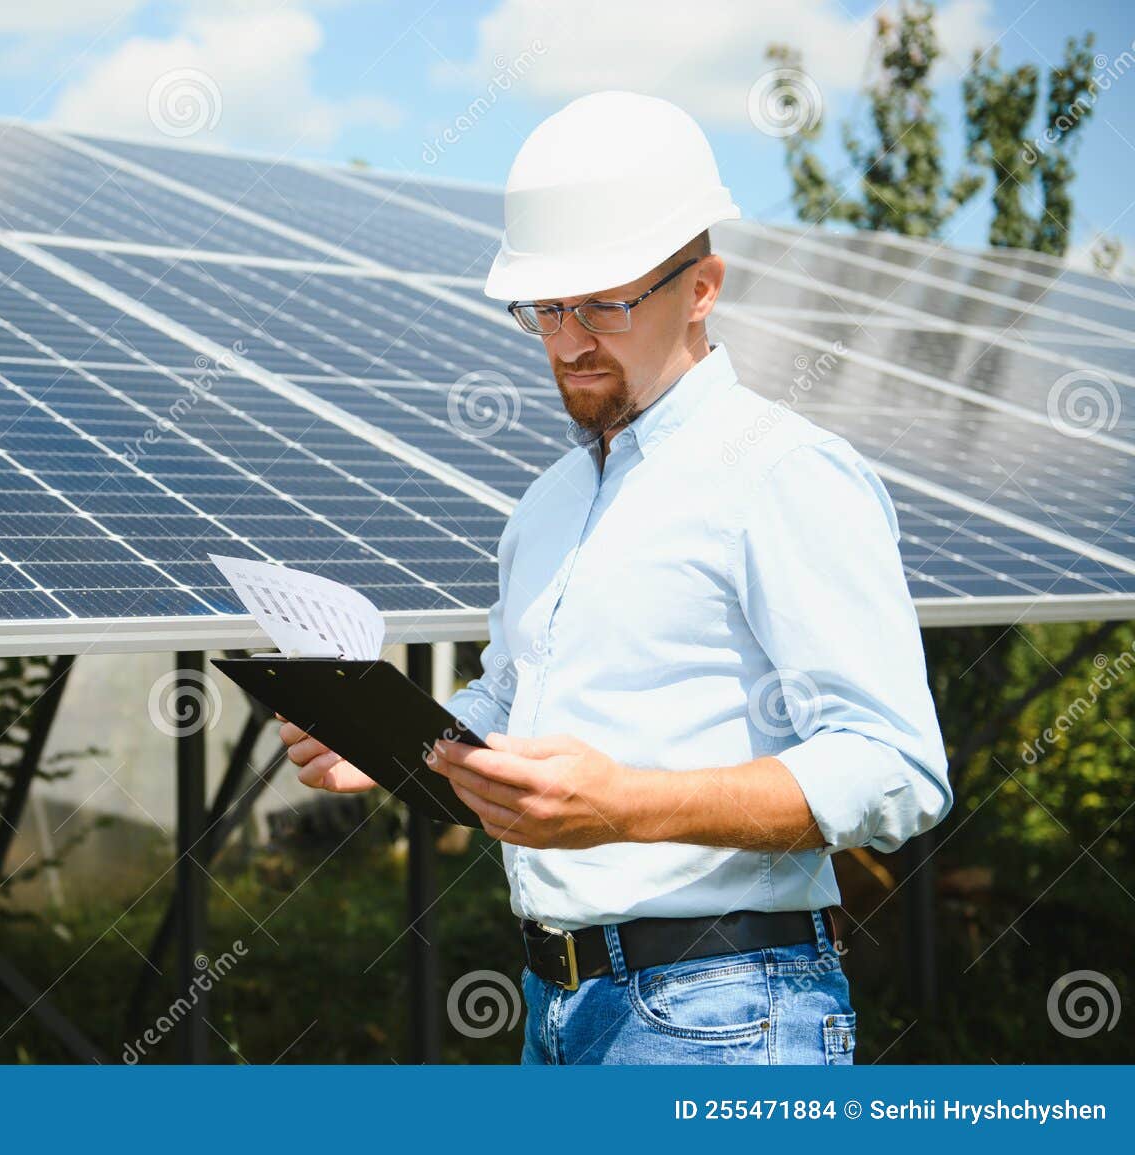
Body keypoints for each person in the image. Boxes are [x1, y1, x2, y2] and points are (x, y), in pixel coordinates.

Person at [276, 91, 949, 1065]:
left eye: (603, 303)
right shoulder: (545, 505)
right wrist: (389, 745)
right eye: (545, 308)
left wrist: (627, 806)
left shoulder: (782, 473)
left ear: (703, 286)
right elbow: (506, 703)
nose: (567, 343)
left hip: (724, 1014)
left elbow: (896, 769)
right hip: (551, 1009)